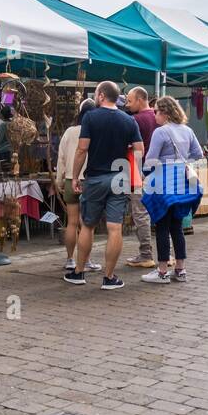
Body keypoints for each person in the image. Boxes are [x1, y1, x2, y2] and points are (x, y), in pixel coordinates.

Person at [66, 80, 143, 290]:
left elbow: (82, 150)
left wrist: (74, 177)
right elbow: (139, 150)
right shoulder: (128, 120)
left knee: (88, 225)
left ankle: (79, 272)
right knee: (115, 227)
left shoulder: (91, 117)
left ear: (101, 96)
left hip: (95, 177)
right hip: (119, 178)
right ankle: (109, 277)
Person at [140, 95, 204, 284]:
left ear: (165, 113)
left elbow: (150, 161)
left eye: (156, 111)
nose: (154, 115)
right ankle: (180, 269)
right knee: (177, 226)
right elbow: (198, 154)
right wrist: (182, 163)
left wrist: (148, 172)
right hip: (181, 183)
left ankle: (161, 272)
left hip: (163, 183)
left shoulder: (161, 132)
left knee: (162, 225)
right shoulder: (188, 130)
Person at [53, 98, 101, 275]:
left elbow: (61, 158)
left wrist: (59, 180)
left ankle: (70, 259)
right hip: (89, 180)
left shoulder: (69, 131)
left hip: (69, 179)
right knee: (87, 224)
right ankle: (86, 260)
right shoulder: (96, 131)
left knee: (71, 222)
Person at [123, 86, 158, 269]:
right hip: (158, 173)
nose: (127, 105)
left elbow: (130, 146)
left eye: (129, 101)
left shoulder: (134, 120)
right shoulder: (158, 118)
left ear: (139, 99)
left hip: (139, 173)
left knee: (141, 213)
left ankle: (146, 254)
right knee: (160, 212)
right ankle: (166, 255)